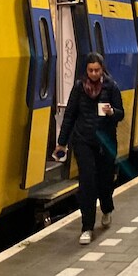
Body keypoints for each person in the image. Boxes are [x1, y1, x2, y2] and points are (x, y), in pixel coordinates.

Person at [56, 53, 125, 245]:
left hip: (106, 143)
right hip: (83, 141)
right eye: (90, 70)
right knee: (87, 183)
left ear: (102, 69)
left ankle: (107, 207)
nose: (94, 74)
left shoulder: (111, 87)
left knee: (104, 181)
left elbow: (121, 114)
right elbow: (70, 115)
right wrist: (62, 142)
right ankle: (87, 227)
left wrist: (112, 112)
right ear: (85, 71)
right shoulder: (79, 88)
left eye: (97, 70)